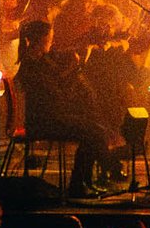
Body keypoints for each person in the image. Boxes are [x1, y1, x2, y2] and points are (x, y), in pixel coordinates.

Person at [14, 20, 120, 198]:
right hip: (44, 121)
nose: (52, 43)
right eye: (50, 39)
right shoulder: (31, 66)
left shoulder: (41, 60)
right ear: (41, 40)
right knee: (93, 132)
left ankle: (88, 179)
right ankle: (84, 182)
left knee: (94, 128)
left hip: (53, 116)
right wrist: (75, 69)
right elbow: (57, 93)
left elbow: (58, 85)